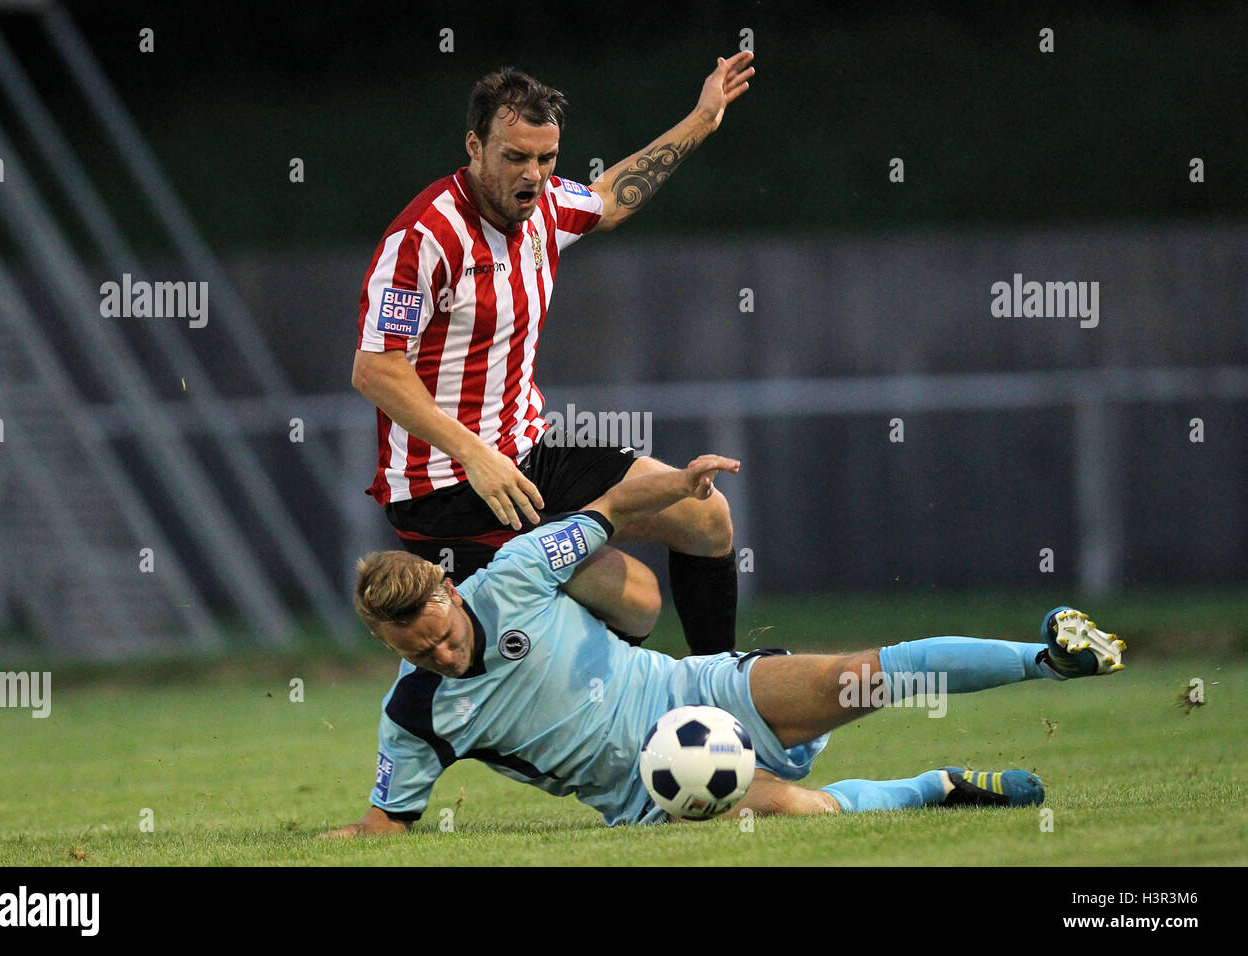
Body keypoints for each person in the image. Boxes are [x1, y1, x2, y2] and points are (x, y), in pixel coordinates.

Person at [320, 455, 1127, 836]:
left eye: (446, 638)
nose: (447, 657)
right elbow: (385, 822)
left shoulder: (520, 568)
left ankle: (1046, 657)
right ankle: (932, 788)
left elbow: (608, 505)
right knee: (800, 815)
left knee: (864, 677)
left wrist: (680, 483)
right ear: (389, 646)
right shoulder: (416, 713)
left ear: (450, 591)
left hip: (695, 694)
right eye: (424, 655)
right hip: (652, 793)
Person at [352, 53, 756, 655]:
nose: (533, 174)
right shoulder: (425, 238)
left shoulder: (541, 206)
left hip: (528, 456)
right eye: (515, 157)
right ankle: (547, 693)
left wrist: (701, 118)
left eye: (546, 158)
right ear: (474, 146)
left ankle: (720, 691)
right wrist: (475, 454)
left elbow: (609, 199)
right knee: (638, 599)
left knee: (706, 515)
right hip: (446, 489)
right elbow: (376, 369)